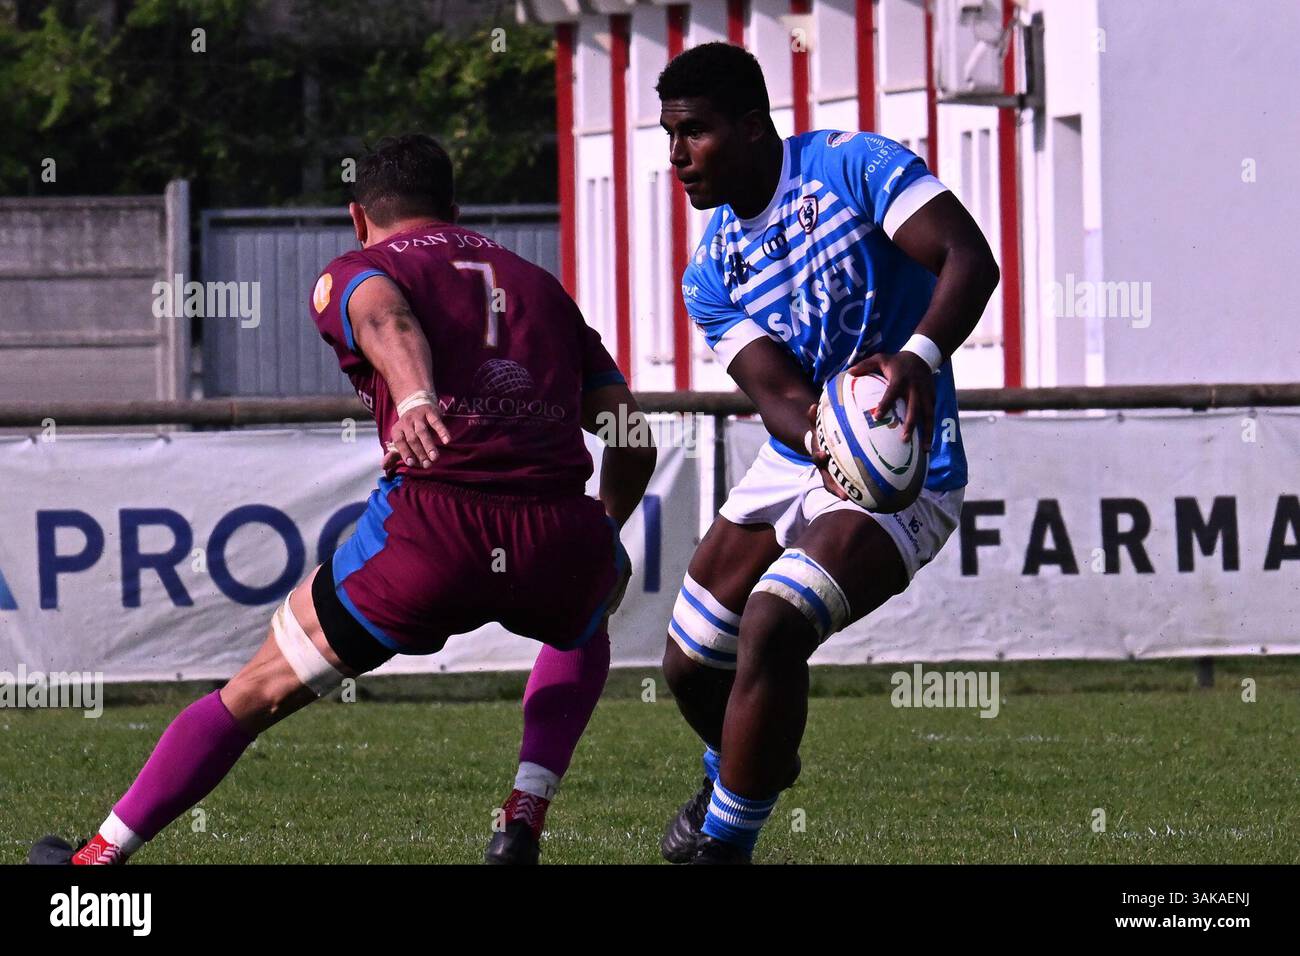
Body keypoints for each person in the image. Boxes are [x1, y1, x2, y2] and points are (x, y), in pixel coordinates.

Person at [28, 133, 655, 867]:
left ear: (359, 216)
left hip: (434, 531)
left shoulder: (361, 266)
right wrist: (602, 533)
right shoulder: (541, 287)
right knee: (589, 608)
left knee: (257, 690)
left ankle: (98, 857)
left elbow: (386, 317)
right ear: (457, 209)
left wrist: (417, 394)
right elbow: (630, 436)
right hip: (556, 531)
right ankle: (525, 808)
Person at [655, 43, 999, 864]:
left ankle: (725, 844)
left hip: (906, 467)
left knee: (773, 626)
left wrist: (915, 356)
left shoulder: (853, 167)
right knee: (687, 664)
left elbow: (969, 259)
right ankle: (747, 763)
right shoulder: (710, 269)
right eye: (668, 136)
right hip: (810, 446)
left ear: (751, 127)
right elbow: (774, 394)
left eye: (694, 133)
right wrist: (823, 430)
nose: (677, 157)